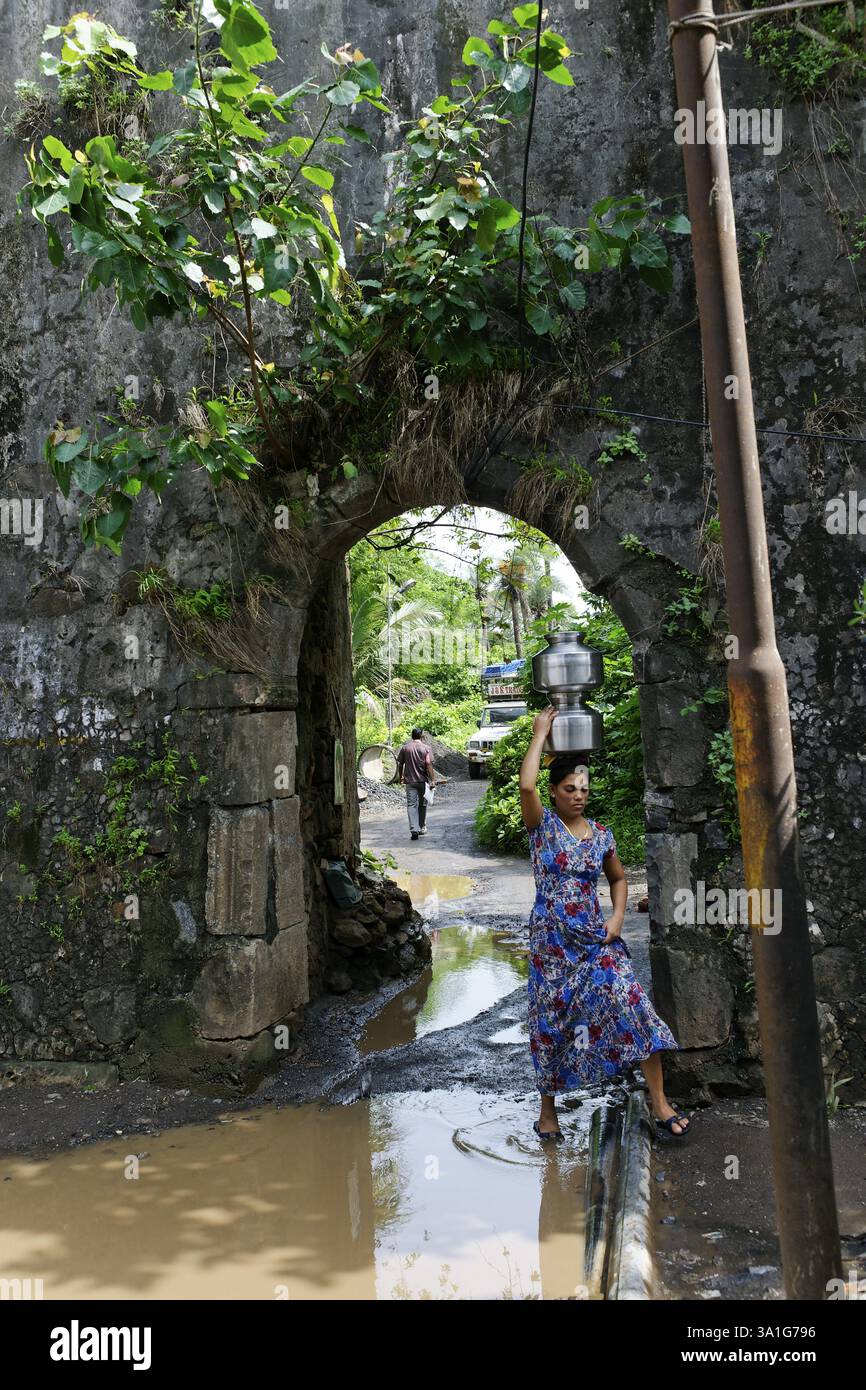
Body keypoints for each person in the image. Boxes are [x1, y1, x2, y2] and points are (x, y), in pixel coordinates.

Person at [519, 705, 690, 1143]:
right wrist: (540, 733)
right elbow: (525, 784)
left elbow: (618, 879)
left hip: (597, 940)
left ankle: (659, 1101)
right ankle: (547, 1109)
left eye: (584, 789)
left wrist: (617, 917)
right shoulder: (543, 830)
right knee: (552, 1023)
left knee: (632, 1002)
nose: (579, 795)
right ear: (555, 792)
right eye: (570, 788)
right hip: (552, 943)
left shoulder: (602, 834)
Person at [396, 726, 435, 841]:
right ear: (422, 736)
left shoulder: (405, 748)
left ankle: (414, 829)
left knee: (411, 805)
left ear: (412, 736)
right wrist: (432, 780)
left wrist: (401, 777)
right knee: (423, 804)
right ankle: (422, 827)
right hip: (422, 782)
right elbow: (428, 764)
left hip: (410, 782)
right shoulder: (426, 748)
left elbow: (400, 764)